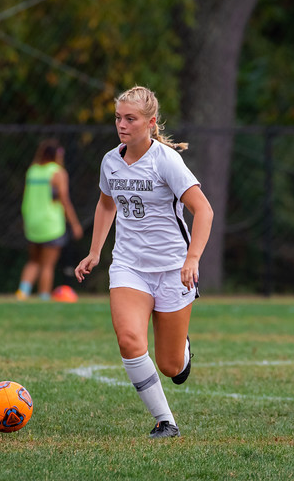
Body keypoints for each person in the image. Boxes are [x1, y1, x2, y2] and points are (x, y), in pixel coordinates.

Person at [74, 86, 213, 438]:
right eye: (118, 118)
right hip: (129, 265)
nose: (121, 125)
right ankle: (165, 421)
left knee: (170, 366)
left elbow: (204, 211)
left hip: (172, 269)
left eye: (130, 119)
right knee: (129, 340)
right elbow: (107, 204)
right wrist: (95, 252)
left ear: (150, 123)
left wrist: (191, 259)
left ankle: (182, 351)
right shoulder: (111, 161)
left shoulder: (166, 160)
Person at [16, 139, 83, 301]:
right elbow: (64, 200)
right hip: (50, 224)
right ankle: (44, 297)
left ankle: (22, 293)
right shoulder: (57, 172)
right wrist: (74, 224)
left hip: (32, 222)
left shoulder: (32, 171)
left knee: (33, 261)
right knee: (47, 265)